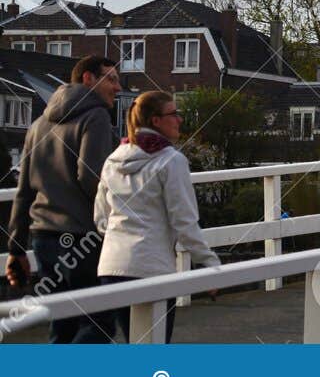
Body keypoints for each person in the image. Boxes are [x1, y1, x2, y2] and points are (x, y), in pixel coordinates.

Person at [4, 55, 121, 343]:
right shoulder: (96, 117)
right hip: (82, 239)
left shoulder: (39, 124)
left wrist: (16, 248)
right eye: (111, 79)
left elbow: (24, 190)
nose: (117, 88)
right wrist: (118, 216)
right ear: (88, 79)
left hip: (44, 238)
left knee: (62, 324)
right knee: (99, 322)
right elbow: (90, 177)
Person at [95, 91, 219, 343]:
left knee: (133, 344)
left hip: (112, 266)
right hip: (151, 268)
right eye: (174, 114)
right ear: (156, 121)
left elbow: (100, 219)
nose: (180, 119)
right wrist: (209, 263)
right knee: (153, 348)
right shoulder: (172, 161)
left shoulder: (112, 160)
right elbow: (184, 221)